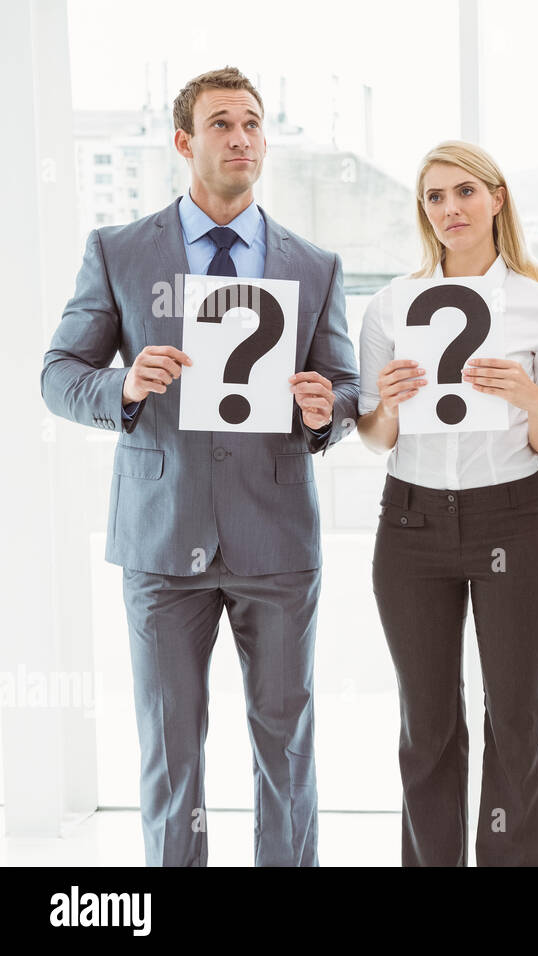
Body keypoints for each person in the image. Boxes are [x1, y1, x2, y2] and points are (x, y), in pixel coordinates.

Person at [41, 67, 359, 866]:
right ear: (185, 142)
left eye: (253, 123)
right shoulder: (116, 250)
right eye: (222, 123)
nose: (242, 137)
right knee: (170, 752)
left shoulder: (313, 264)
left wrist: (330, 410)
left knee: (286, 749)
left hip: (279, 541)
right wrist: (124, 383)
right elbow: (57, 375)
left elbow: (347, 387)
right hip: (161, 537)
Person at [356, 141, 538, 866]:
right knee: (428, 722)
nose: (450, 209)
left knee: (516, 718)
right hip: (412, 520)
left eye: (463, 193)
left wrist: (530, 397)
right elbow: (374, 438)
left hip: (511, 513)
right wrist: (385, 405)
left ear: (496, 199)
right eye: (434, 198)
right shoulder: (392, 304)